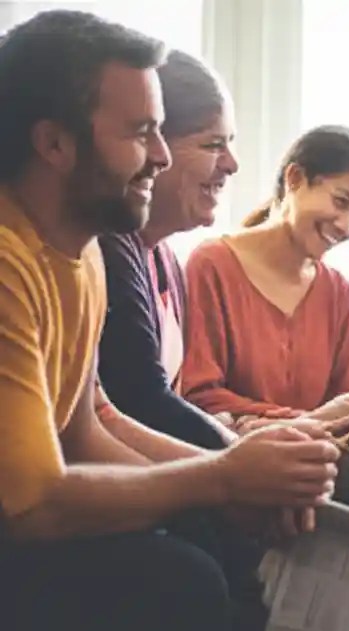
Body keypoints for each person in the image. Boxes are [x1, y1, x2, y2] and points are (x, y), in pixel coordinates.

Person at [0, 11, 340, 631]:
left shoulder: (80, 252)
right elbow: (31, 505)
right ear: (54, 143)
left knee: (235, 545)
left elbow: (89, 420)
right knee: (175, 579)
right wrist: (220, 475)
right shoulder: (7, 263)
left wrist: (231, 487)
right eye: (139, 132)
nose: (160, 154)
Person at [181, 125, 349, 428]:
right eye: (341, 202)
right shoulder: (212, 266)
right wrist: (308, 423)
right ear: (295, 179)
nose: (346, 226)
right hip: (231, 462)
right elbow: (199, 395)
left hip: (321, 463)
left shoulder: (338, 292)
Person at [95, 49, 239, 451]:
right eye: (213, 144)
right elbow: (140, 401)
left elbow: (175, 402)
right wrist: (239, 453)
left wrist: (251, 430)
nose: (233, 163)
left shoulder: (165, 258)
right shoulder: (107, 248)